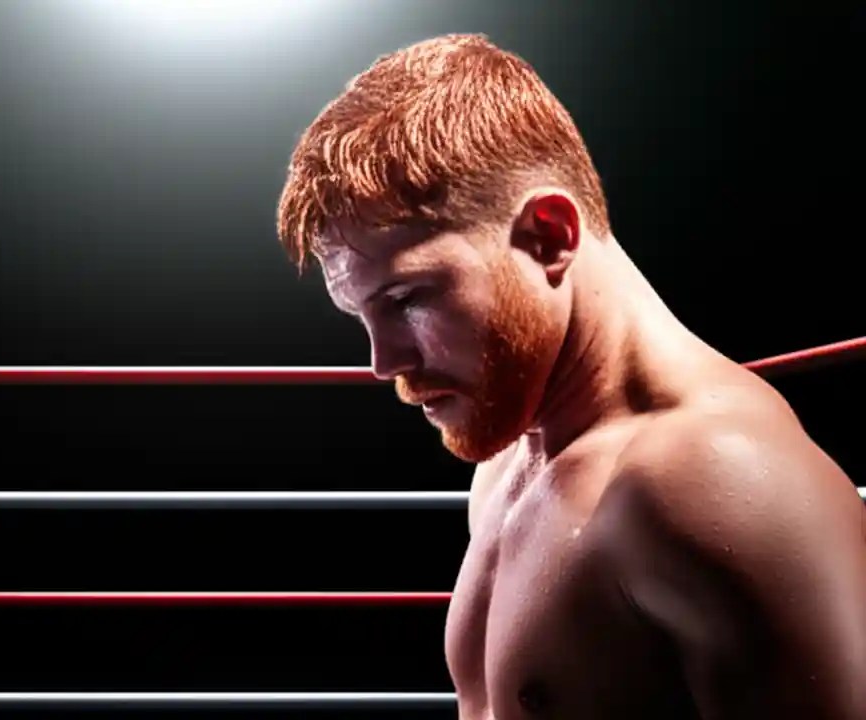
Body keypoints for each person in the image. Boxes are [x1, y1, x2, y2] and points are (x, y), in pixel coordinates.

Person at [275, 33, 865, 719]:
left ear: (549, 236)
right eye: (361, 316)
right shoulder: (510, 458)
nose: (385, 362)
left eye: (407, 300)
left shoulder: (717, 481)